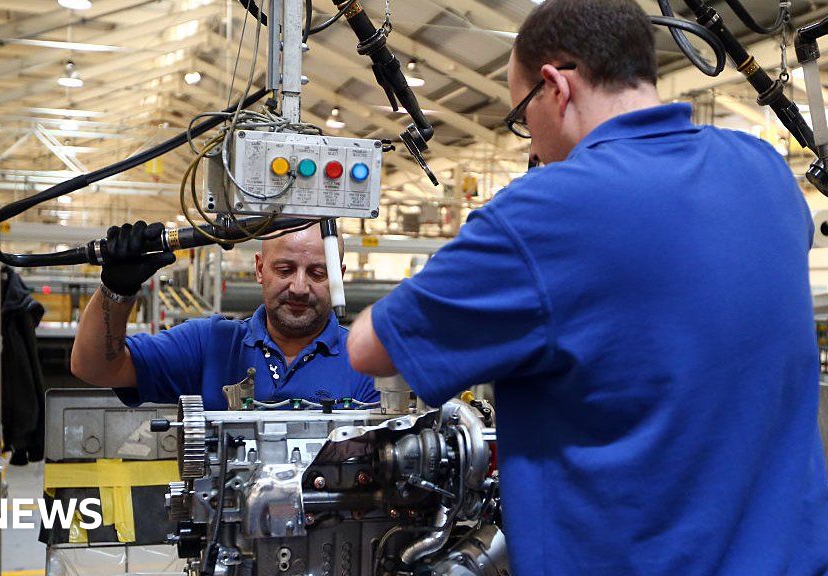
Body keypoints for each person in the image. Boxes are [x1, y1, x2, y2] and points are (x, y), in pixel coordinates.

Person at [347, 0, 828, 573]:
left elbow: (369, 347)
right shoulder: (765, 171)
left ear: (556, 87)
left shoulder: (540, 215)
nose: (530, 147)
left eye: (523, 116)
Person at [71, 221, 377, 409]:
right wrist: (115, 291)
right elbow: (95, 369)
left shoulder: (367, 362)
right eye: (284, 269)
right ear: (260, 269)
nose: (299, 287)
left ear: (339, 277)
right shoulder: (210, 343)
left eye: (317, 273)